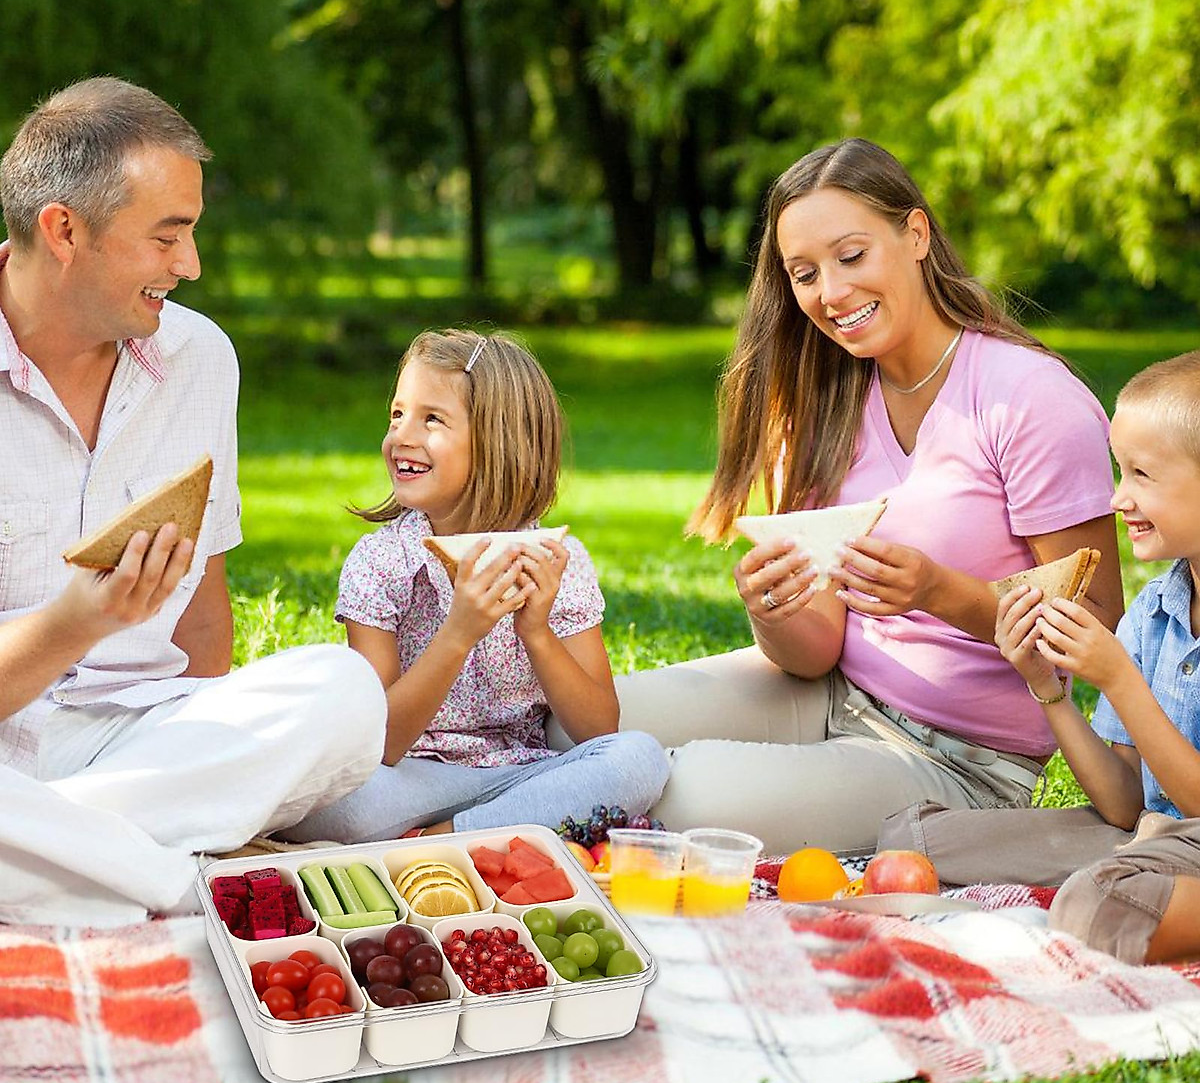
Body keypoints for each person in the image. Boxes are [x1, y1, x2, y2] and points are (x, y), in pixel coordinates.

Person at [613, 137, 1122, 855]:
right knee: (591, 720)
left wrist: (939, 591)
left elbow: (1097, 624)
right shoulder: (827, 400)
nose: (831, 293)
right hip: (829, 692)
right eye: (805, 273)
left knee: (679, 793)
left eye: (851, 257)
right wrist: (772, 610)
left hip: (960, 758)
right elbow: (813, 651)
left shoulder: (1029, 401)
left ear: (915, 235)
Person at [0, 77, 386, 924]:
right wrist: (74, 622)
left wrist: (221, 749)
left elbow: (203, 603)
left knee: (344, 691)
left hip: (145, 740)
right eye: (167, 236)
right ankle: (177, 881)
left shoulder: (199, 359)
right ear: (63, 229)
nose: (191, 265)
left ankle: (70, 867)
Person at [280, 329, 668, 844]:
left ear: (499, 441)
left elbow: (599, 729)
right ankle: (488, 837)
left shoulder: (556, 561)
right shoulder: (379, 561)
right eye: (397, 414)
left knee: (638, 760)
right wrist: (459, 633)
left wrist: (536, 630)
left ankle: (441, 841)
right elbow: (383, 743)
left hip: (518, 772)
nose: (401, 436)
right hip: (406, 776)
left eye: (431, 419)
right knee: (338, 804)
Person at [879, 351, 1200, 964]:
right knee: (911, 840)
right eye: (1118, 472)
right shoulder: (1155, 612)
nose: (1116, 499)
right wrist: (1045, 684)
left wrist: (1118, 679)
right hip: (1147, 839)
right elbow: (1123, 804)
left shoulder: (1128, 648)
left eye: (1142, 476)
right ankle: (1130, 889)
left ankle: (1121, 897)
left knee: (1096, 905)